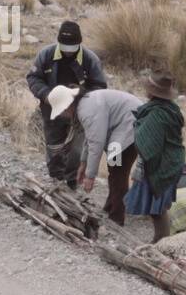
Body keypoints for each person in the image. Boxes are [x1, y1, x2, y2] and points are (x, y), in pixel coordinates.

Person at [26, 21, 107, 189]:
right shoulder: (46, 55)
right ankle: (55, 177)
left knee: (77, 149)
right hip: (52, 109)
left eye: (72, 48)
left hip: (80, 111)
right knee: (53, 145)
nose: (68, 52)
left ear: (80, 43)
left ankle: (71, 181)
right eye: (64, 47)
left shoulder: (90, 59)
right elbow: (33, 78)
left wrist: (81, 92)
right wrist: (46, 95)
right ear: (58, 41)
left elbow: (100, 87)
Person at [46, 85, 143, 225]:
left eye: (62, 111)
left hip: (131, 129)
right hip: (125, 128)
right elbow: (90, 137)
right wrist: (83, 164)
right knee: (114, 170)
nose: (63, 115)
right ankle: (110, 208)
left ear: (67, 106)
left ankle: (117, 217)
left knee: (118, 173)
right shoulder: (84, 105)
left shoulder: (87, 110)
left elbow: (96, 143)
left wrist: (90, 176)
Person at [125, 71, 185, 243]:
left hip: (161, 165)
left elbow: (150, 144)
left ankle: (161, 241)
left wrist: (139, 134)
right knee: (157, 207)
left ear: (152, 92)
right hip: (170, 161)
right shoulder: (168, 109)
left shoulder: (157, 114)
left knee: (157, 207)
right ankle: (161, 240)